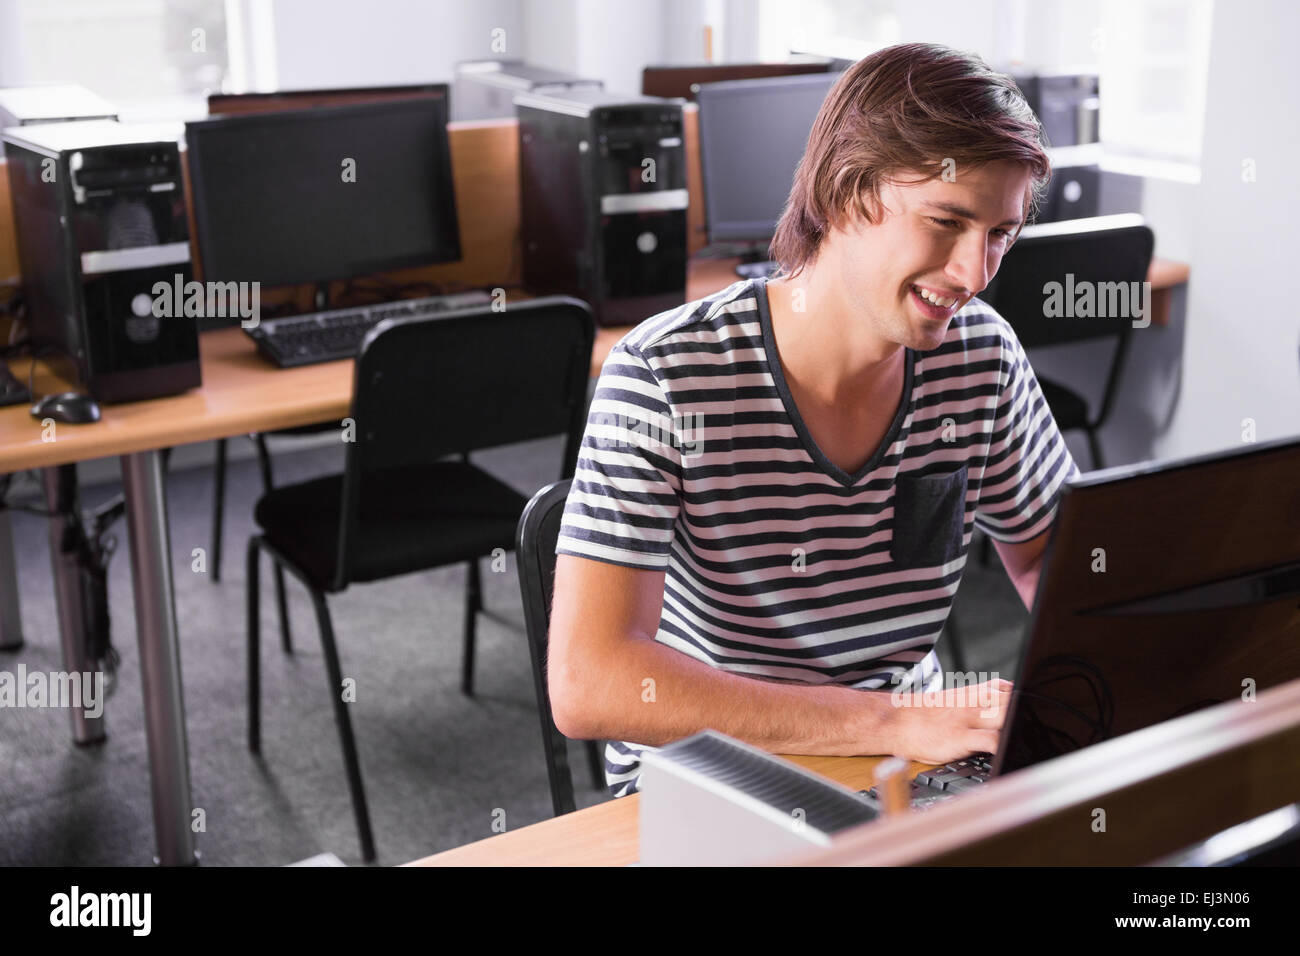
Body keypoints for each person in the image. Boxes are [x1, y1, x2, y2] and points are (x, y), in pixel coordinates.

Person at [549, 42, 1079, 797]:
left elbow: (1045, 557)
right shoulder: (665, 375)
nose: (975, 273)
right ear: (843, 195)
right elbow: (591, 683)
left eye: (999, 234)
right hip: (717, 762)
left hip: (917, 755)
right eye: (946, 222)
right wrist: (888, 720)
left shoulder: (980, 357)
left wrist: (1117, 679)